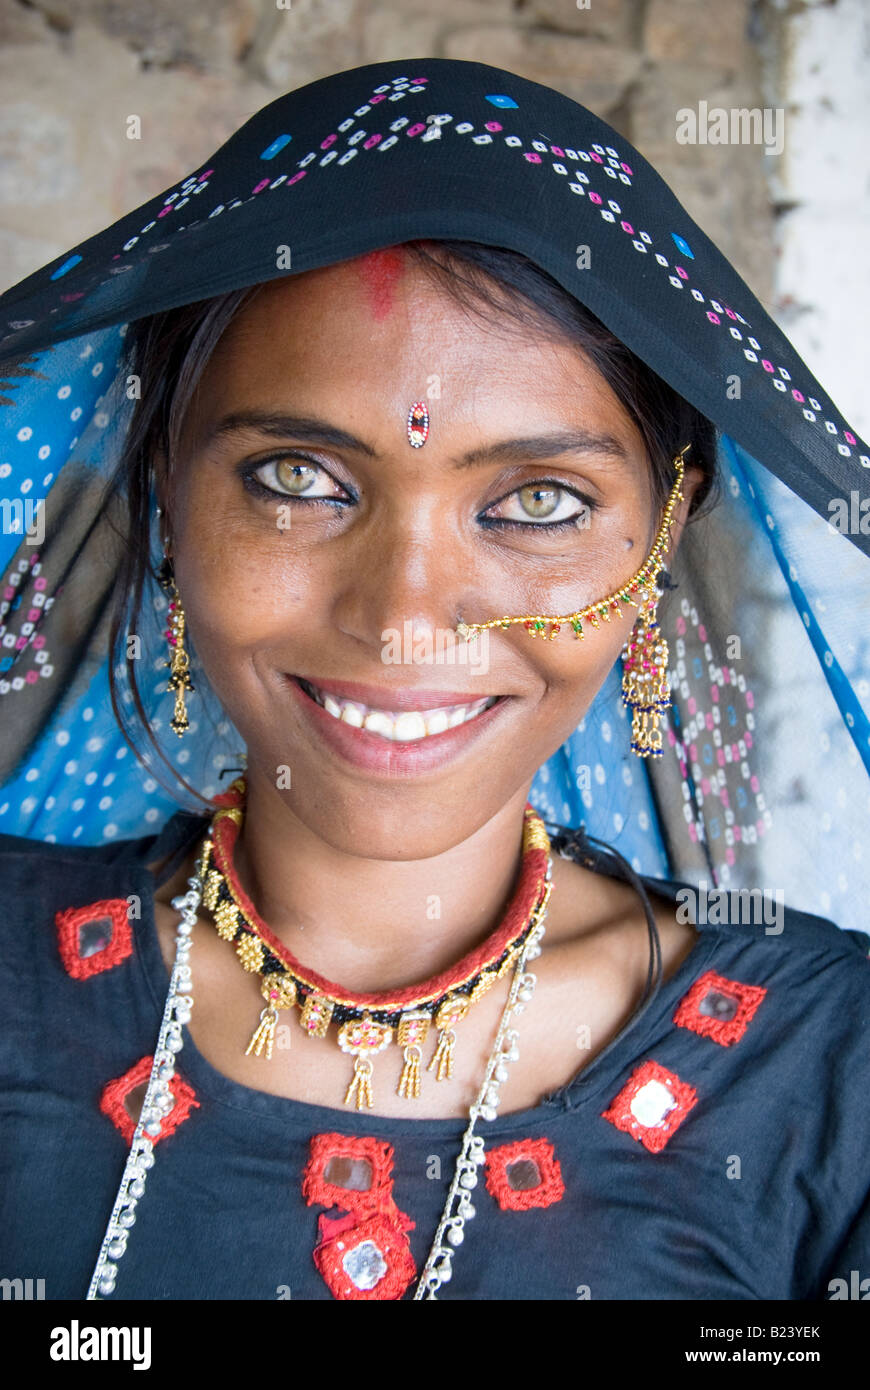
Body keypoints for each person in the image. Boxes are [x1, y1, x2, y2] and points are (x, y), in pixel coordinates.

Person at [0, 58, 868, 1303]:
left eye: (537, 503)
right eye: (299, 478)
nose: (403, 617)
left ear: (660, 542)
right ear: (166, 501)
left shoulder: (832, 1072)